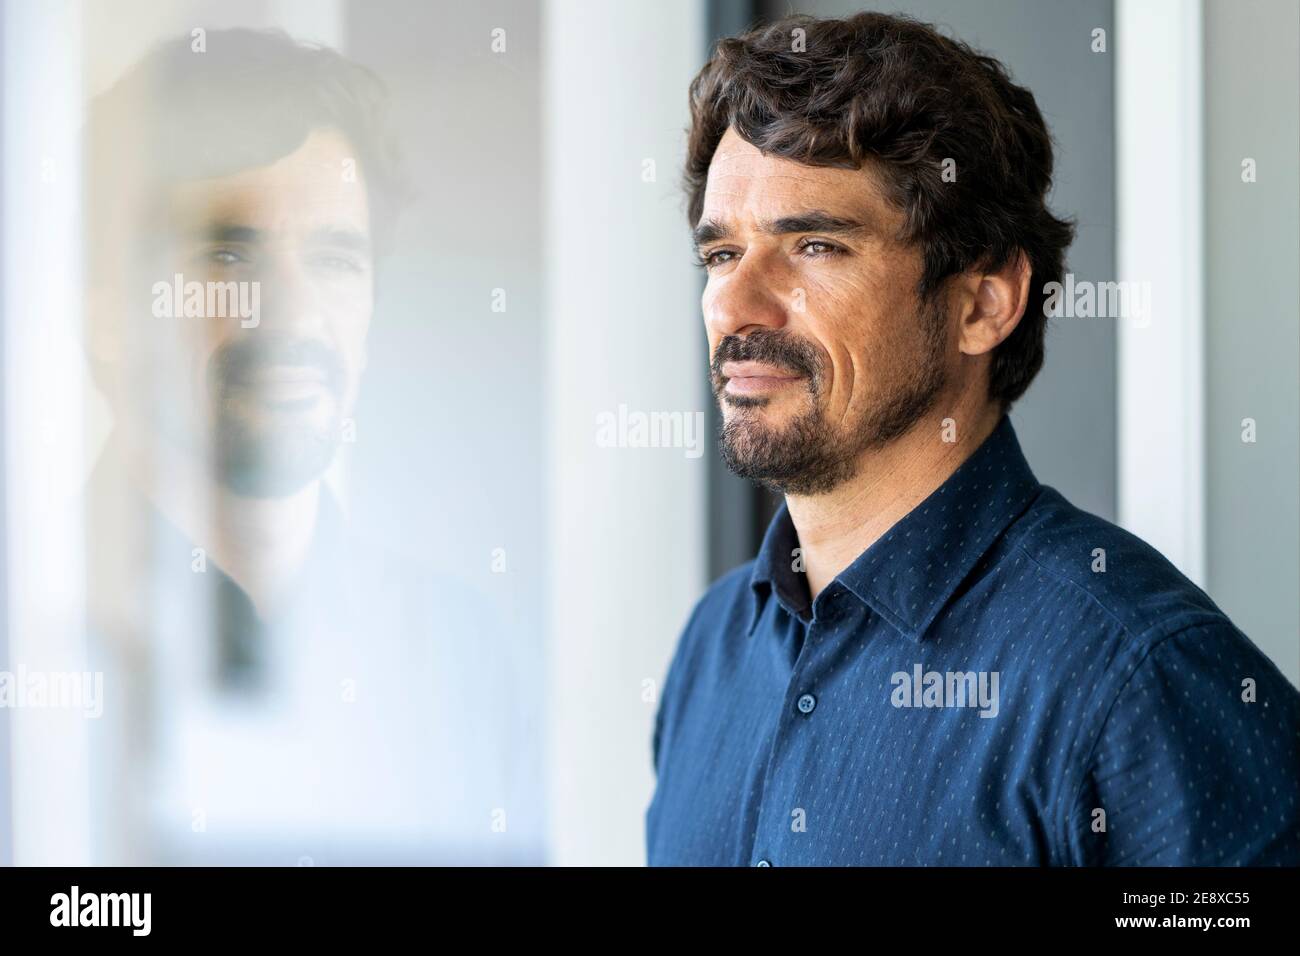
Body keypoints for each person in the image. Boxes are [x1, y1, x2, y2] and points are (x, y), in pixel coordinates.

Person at [646, 11, 1300, 866]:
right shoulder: (712, 646)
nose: (734, 307)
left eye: (813, 245)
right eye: (722, 255)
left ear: (983, 303)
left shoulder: (1143, 681)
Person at [80, 29, 539, 864]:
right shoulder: (40, 623)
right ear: (109, 307)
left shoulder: (454, 655)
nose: (291, 314)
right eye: (228, 253)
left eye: (333, 259)